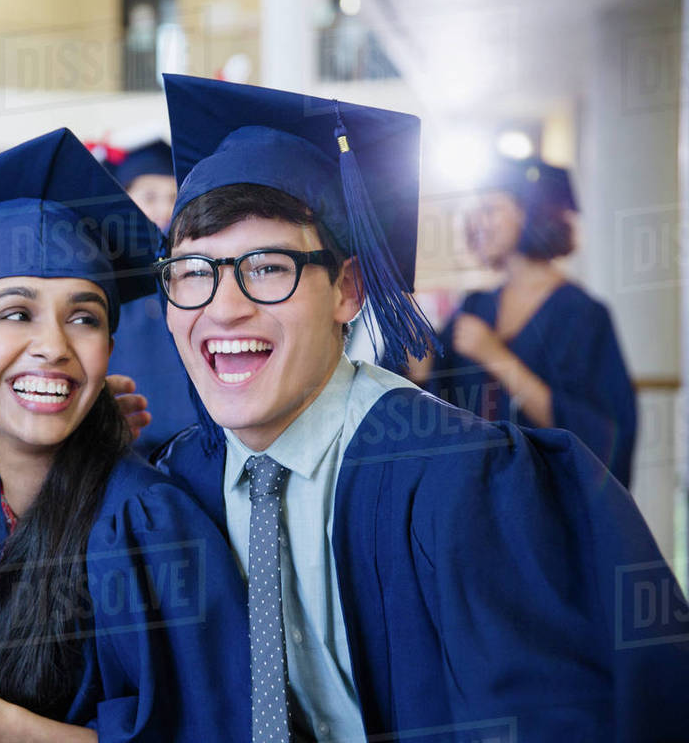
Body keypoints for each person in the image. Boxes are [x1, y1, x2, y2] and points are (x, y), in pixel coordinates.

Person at [151, 74, 689, 741]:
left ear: (348, 291)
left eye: (267, 268)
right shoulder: (179, 482)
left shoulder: (460, 480)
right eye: (192, 273)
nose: (224, 306)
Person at [0, 128, 250, 742]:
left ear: (108, 350)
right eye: (17, 313)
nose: (52, 346)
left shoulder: (149, 523)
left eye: (84, 318)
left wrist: (3, 731)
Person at [422, 159, 637, 487]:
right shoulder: (476, 306)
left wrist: (496, 357)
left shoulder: (581, 314)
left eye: (490, 210)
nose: (476, 222)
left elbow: (601, 435)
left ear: (531, 213)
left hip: (545, 498)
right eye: (474, 211)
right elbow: (435, 391)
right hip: (476, 495)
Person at [103, 138, 198, 456]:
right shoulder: (104, 271)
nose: (162, 209)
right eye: (149, 196)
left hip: (192, 444)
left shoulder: (197, 272)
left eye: (172, 197)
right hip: (121, 447)